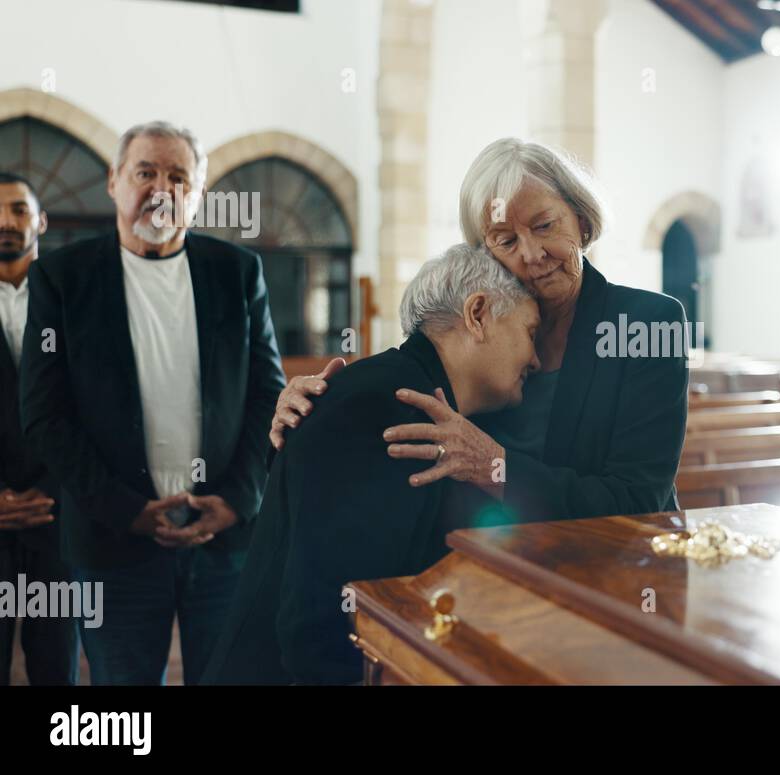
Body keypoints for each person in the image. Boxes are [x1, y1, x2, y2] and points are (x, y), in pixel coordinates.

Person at [272, 138, 689, 521]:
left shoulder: (647, 323)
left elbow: (638, 502)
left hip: (616, 568)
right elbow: (408, 386)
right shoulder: (477, 324)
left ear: (581, 222)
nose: (532, 254)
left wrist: (496, 468)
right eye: (505, 240)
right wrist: (311, 407)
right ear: (484, 255)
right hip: (490, 570)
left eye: (544, 225)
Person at [19, 122, 285, 684]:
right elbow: (46, 414)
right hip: (113, 543)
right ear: (115, 181)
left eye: (178, 177)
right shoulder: (62, 279)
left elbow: (268, 396)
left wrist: (237, 499)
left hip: (224, 540)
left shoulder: (236, 272)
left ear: (197, 196)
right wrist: (127, 510)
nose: (161, 188)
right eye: (145, 172)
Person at [203, 243, 540, 684]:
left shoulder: (404, 393)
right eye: (531, 332)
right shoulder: (383, 405)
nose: (535, 359)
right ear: (477, 314)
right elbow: (325, 616)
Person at [0, 172, 77, 685]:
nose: (6, 222)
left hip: (60, 513)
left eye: (19, 210)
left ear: (41, 221)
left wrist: (54, 491)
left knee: (57, 667)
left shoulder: (73, 300)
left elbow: (91, 406)